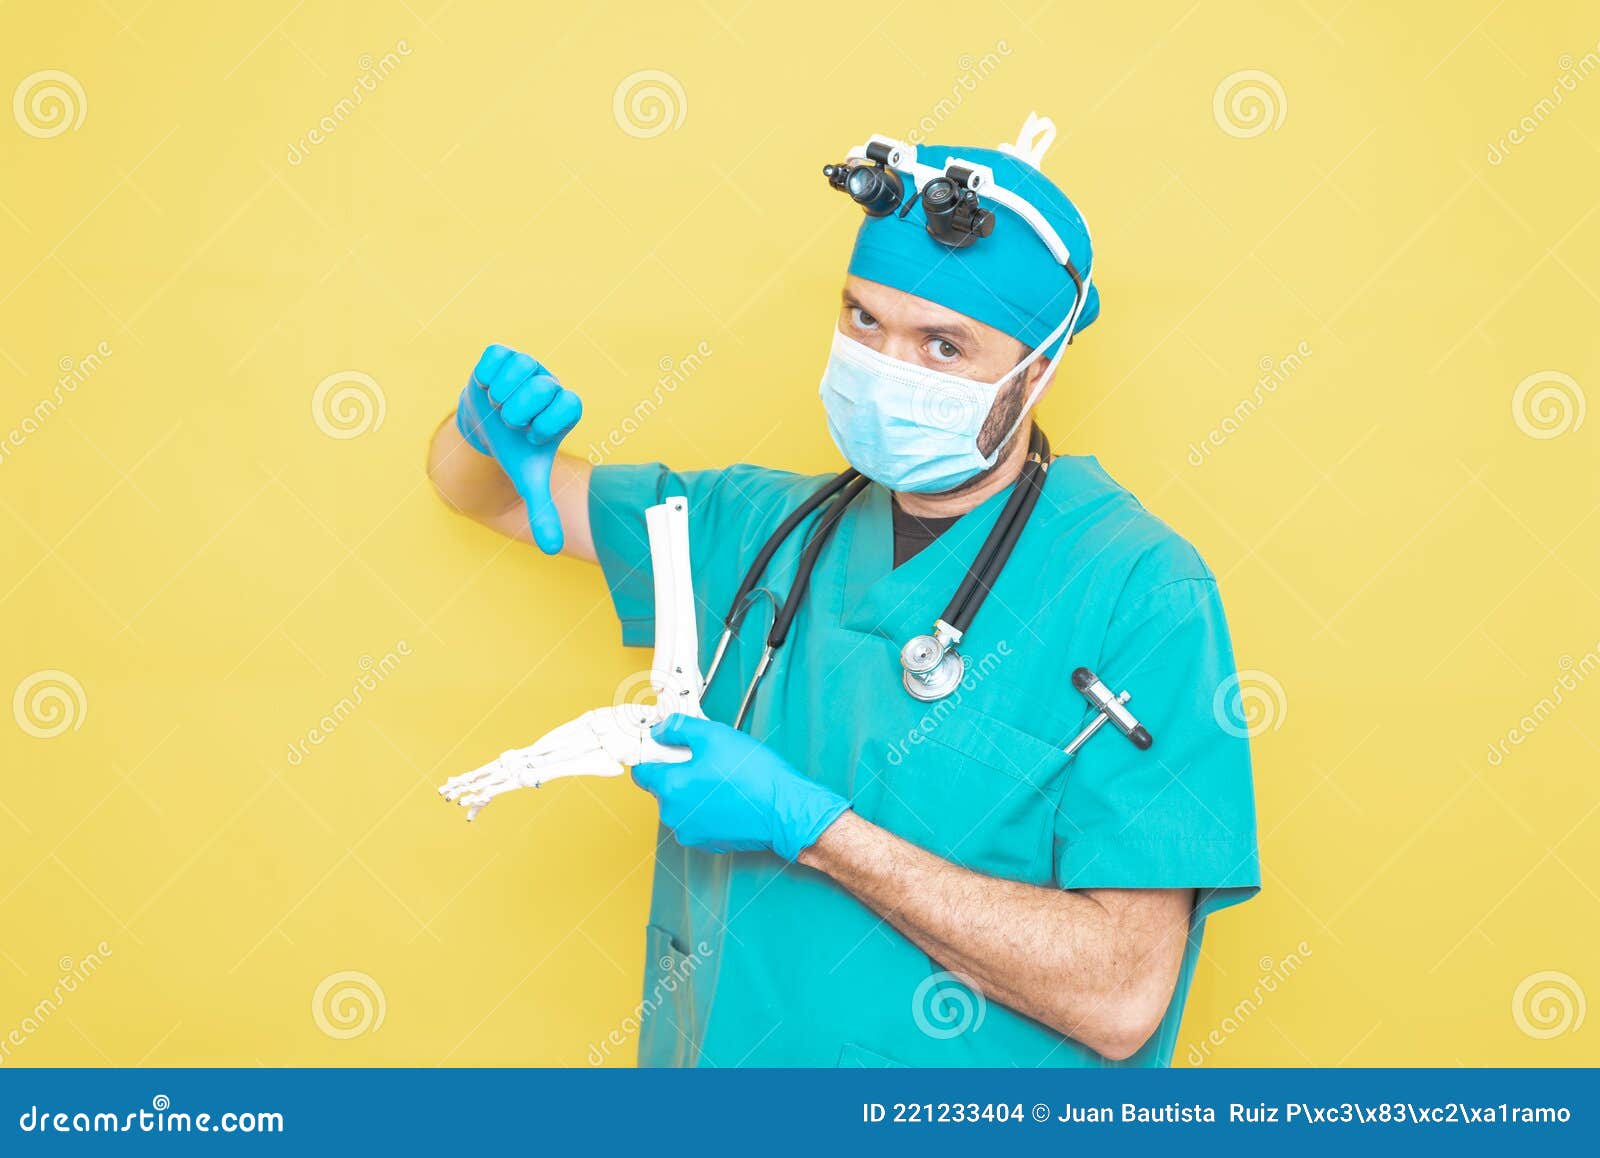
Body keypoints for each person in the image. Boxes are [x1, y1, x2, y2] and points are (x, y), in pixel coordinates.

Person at [426, 116, 1259, 1067]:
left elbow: (1121, 996)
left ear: (1039, 369)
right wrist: (482, 431)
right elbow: (488, 496)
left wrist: (816, 830)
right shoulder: (756, 528)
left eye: (943, 346)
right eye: (864, 321)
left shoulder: (1141, 591)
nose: (885, 372)